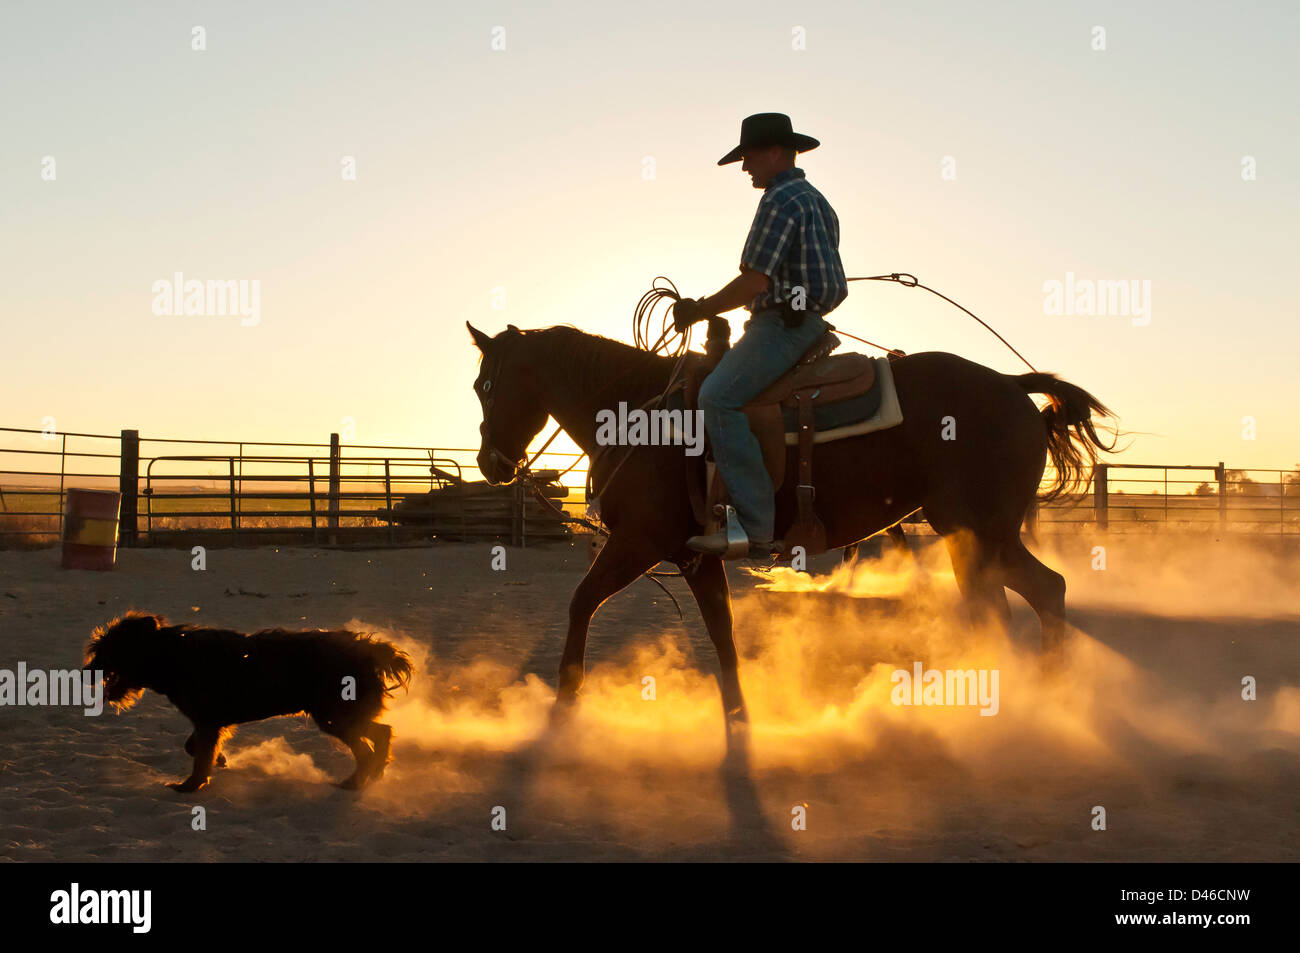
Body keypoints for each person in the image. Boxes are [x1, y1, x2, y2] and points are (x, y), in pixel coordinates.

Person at [673, 113, 848, 557]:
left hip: (780, 327)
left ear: (774, 152)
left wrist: (701, 309)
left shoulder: (779, 201)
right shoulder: (817, 201)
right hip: (805, 321)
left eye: (749, 157)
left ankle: (753, 526)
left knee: (717, 396)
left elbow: (755, 282)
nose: (746, 167)